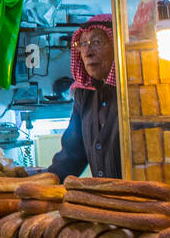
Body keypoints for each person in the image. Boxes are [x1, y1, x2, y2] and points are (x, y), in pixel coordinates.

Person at [47, 14, 122, 179]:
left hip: (140, 198)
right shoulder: (85, 94)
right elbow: (72, 154)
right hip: (104, 198)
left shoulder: (133, 92)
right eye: (82, 44)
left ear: (117, 45)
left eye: (96, 42)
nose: (87, 52)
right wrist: (40, 184)